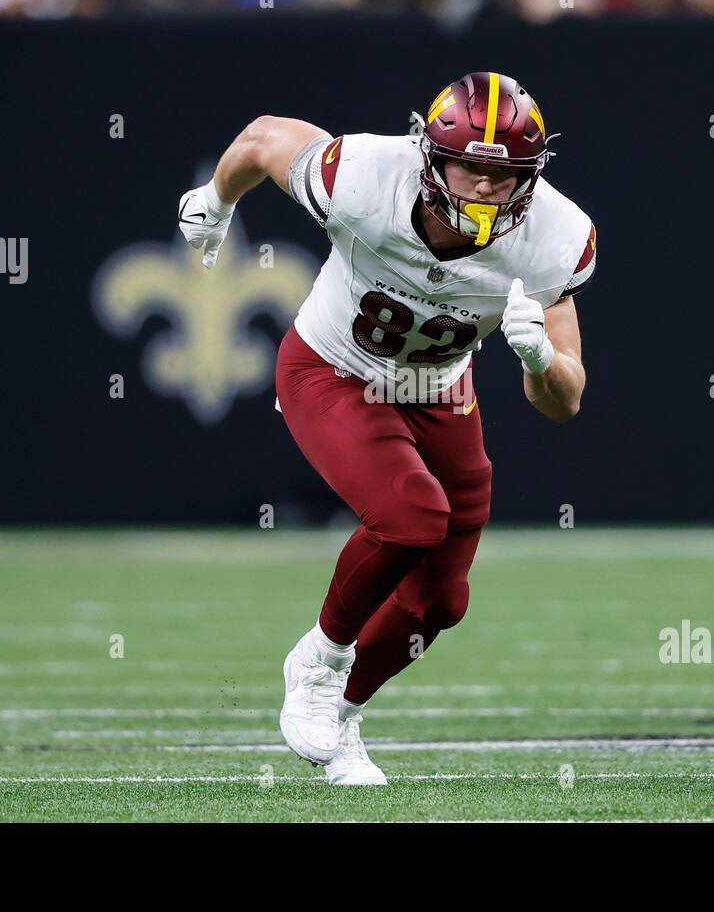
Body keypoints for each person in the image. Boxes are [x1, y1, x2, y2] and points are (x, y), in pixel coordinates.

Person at [178, 72, 596, 784]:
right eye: (471, 166)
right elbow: (261, 138)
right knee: (412, 516)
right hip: (333, 367)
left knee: (444, 600)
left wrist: (537, 357)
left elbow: (564, 401)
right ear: (431, 156)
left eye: (507, 174)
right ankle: (318, 663)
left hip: (438, 388)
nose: (487, 188)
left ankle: (341, 718)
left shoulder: (557, 237)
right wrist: (216, 204)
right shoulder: (363, 176)